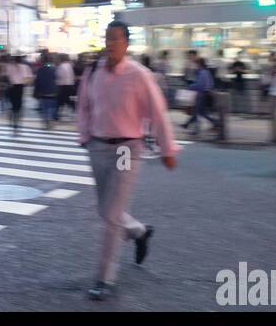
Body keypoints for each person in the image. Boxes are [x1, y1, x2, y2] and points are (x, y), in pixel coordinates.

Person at [77, 22, 179, 301]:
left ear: (126, 43)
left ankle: (104, 278)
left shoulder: (139, 75)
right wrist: (84, 135)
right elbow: (83, 105)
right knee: (105, 210)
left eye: (116, 39)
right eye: (107, 38)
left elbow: (158, 113)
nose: (110, 43)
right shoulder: (93, 71)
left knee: (110, 216)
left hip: (126, 149)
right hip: (98, 146)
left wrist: (167, 148)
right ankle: (140, 231)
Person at [181, 58, 219, 135]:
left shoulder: (202, 73)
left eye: (196, 64)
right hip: (205, 93)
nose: (195, 66)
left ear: (199, 64)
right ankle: (188, 125)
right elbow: (210, 83)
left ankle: (195, 129)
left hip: (201, 94)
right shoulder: (207, 72)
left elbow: (200, 85)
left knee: (198, 112)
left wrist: (190, 86)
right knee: (201, 112)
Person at [6, 55, 33, 134]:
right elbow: (29, 78)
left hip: (12, 87)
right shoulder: (25, 67)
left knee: (14, 106)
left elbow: (7, 77)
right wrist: (26, 83)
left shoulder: (10, 66)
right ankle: (16, 124)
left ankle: (14, 122)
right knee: (18, 107)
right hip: (19, 88)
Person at [56, 54, 76, 120]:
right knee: (69, 99)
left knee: (61, 100)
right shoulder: (70, 65)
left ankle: (58, 114)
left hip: (63, 85)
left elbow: (59, 76)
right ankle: (73, 111)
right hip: (70, 84)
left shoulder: (61, 66)